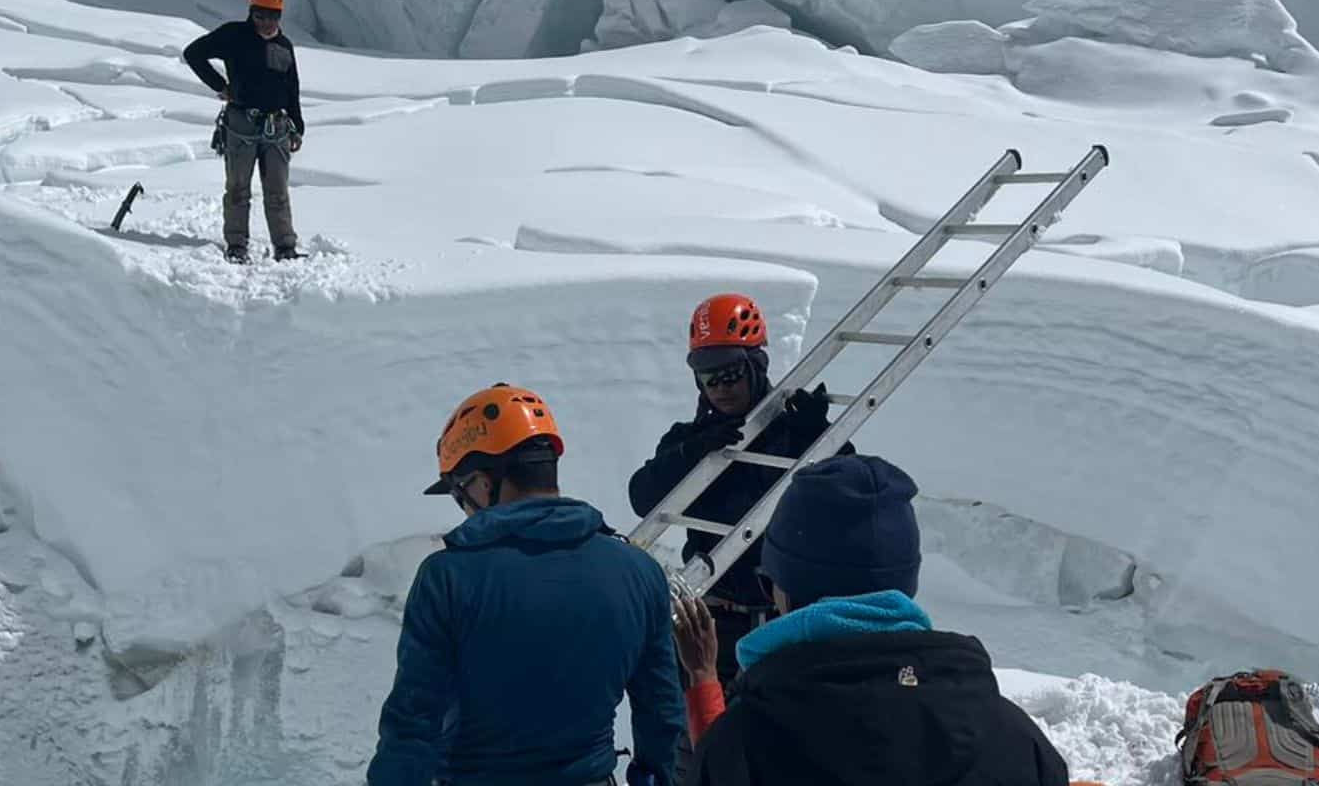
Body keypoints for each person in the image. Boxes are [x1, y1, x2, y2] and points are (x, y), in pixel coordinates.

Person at [675, 454, 1070, 786]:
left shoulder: (744, 744)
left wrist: (703, 683)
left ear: (784, 593)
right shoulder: (1015, 740)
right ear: (904, 585)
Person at [366, 383, 685, 786]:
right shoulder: (638, 572)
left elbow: (413, 725)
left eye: (459, 493)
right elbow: (661, 710)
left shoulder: (448, 578)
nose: (463, 509)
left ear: (483, 483)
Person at [627, 292, 853, 687]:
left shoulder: (790, 432)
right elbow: (641, 497)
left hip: (788, 625)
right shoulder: (690, 441)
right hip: (713, 629)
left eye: (729, 373)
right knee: (705, 742)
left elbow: (855, 492)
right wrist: (694, 452)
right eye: (707, 376)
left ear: (755, 366)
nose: (719, 387)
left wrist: (822, 436)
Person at [182, 0, 306, 264]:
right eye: (260, 15)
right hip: (241, 124)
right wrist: (220, 85)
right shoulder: (233, 35)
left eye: (273, 16)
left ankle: (285, 246)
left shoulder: (284, 46)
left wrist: (297, 126)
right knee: (238, 188)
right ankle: (236, 245)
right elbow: (194, 54)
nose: (266, 22)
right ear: (251, 12)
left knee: (278, 191)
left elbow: (292, 88)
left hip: (276, 126)